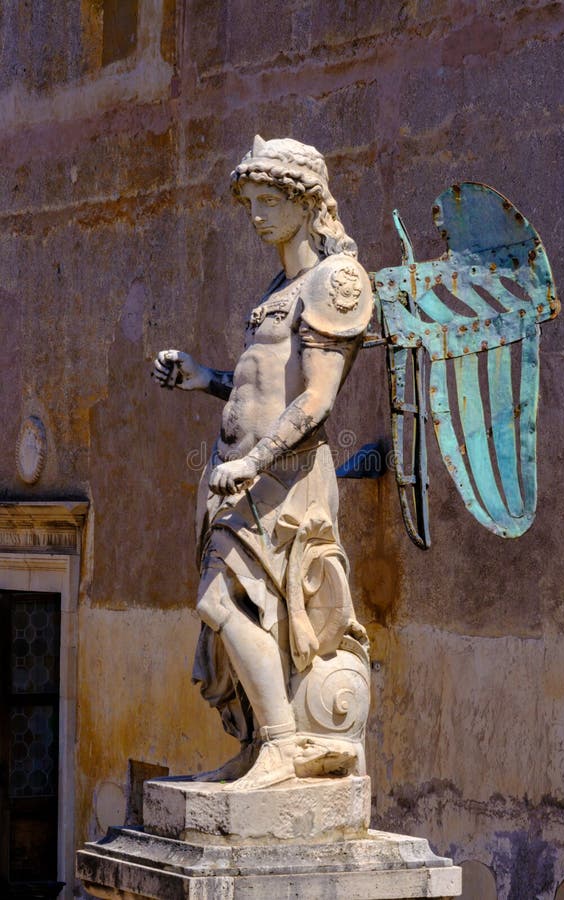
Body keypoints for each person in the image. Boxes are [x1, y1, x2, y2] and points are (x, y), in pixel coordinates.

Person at [153, 136, 372, 790]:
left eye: (271, 200)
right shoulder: (282, 284)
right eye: (251, 202)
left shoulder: (335, 283)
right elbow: (263, 384)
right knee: (252, 621)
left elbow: (315, 398)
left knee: (220, 602)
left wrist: (254, 464)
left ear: (308, 205)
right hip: (241, 475)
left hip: (285, 482)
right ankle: (262, 751)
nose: (257, 215)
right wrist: (204, 379)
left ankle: (283, 746)